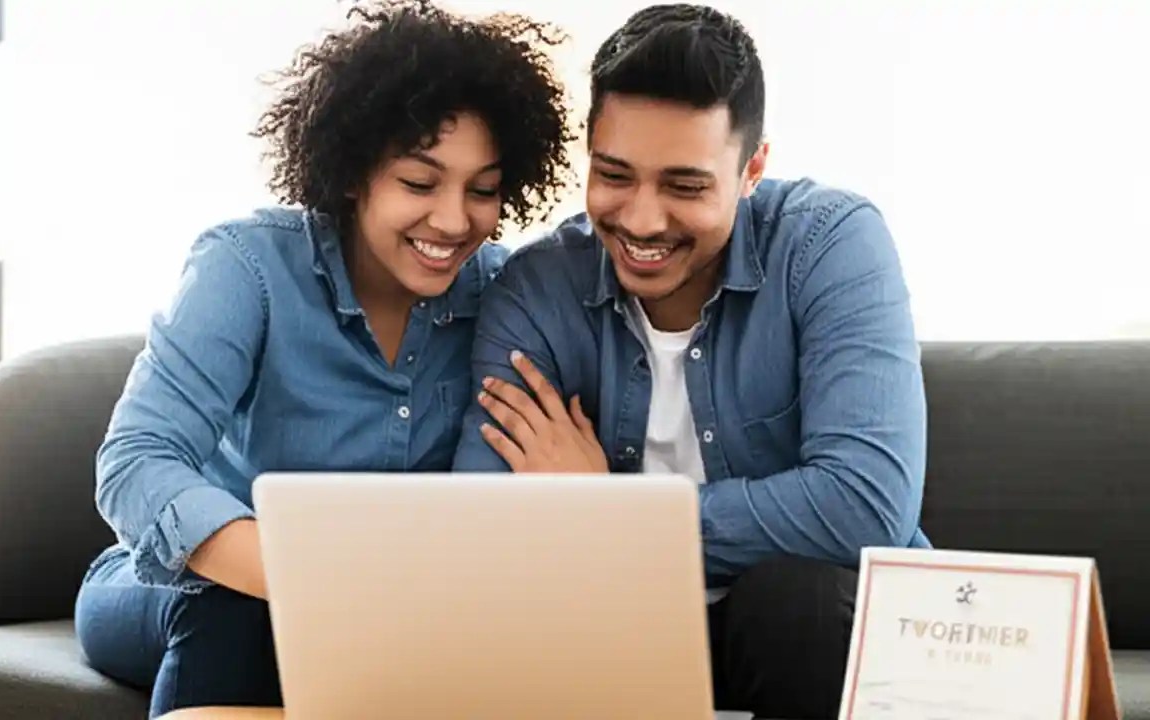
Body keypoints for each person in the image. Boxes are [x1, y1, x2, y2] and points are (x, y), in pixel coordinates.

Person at [73, 1, 574, 716]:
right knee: (241, 615)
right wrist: (318, 579)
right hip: (182, 587)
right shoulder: (248, 267)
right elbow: (135, 462)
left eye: (483, 190)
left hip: (389, 612)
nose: (455, 219)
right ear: (351, 173)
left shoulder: (504, 297)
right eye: (419, 183)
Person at [452, 4, 929, 718]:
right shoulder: (535, 292)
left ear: (751, 169)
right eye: (614, 175)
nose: (642, 220)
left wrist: (611, 513)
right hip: (616, 638)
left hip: (812, 645)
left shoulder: (829, 245)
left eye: (684, 186)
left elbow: (864, 507)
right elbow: (485, 531)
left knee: (789, 602)